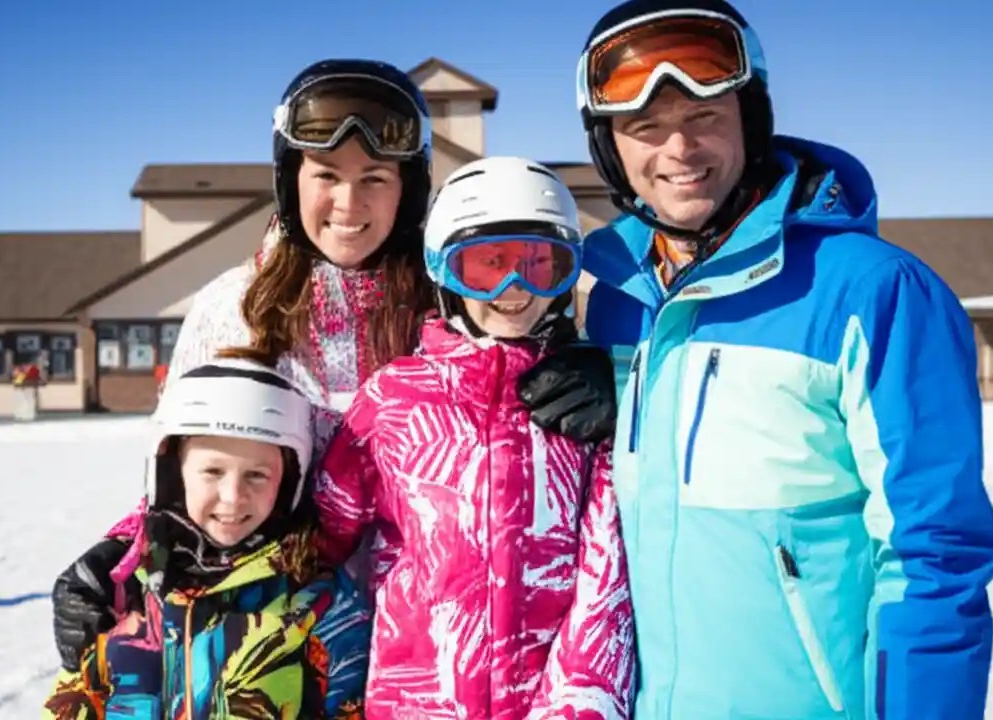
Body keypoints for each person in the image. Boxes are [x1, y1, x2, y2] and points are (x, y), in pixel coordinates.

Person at [50, 59, 620, 680]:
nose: (349, 203)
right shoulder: (230, 310)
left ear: (408, 190)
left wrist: (603, 372)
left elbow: (534, 395)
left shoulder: (457, 299)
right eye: (326, 174)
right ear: (291, 179)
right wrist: (121, 555)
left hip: (437, 660)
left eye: (375, 177)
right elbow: (190, 471)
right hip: (274, 641)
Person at [574, 1, 993, 718]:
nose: (678, 149)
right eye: (645, 127)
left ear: (751, 119)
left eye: (705, 116)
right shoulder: (617, 302)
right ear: (608, 148)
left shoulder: (873, 291)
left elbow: (935, 553)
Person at [314, 156, 634, 719]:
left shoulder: (583, 410)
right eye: (486, 266)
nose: (514, 288)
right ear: (444, 272)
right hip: (419, 701)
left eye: (539, 265)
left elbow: (606, 575)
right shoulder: (394, 402)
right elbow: (320, 537)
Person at [42, 356, 369, 719]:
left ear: (288, 481)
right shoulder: (127, 589)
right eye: (213, 471)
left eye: (257, 475)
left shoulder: (318, 600)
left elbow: (348, 707)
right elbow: (76, 701)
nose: (233, 496)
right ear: (173, 473)